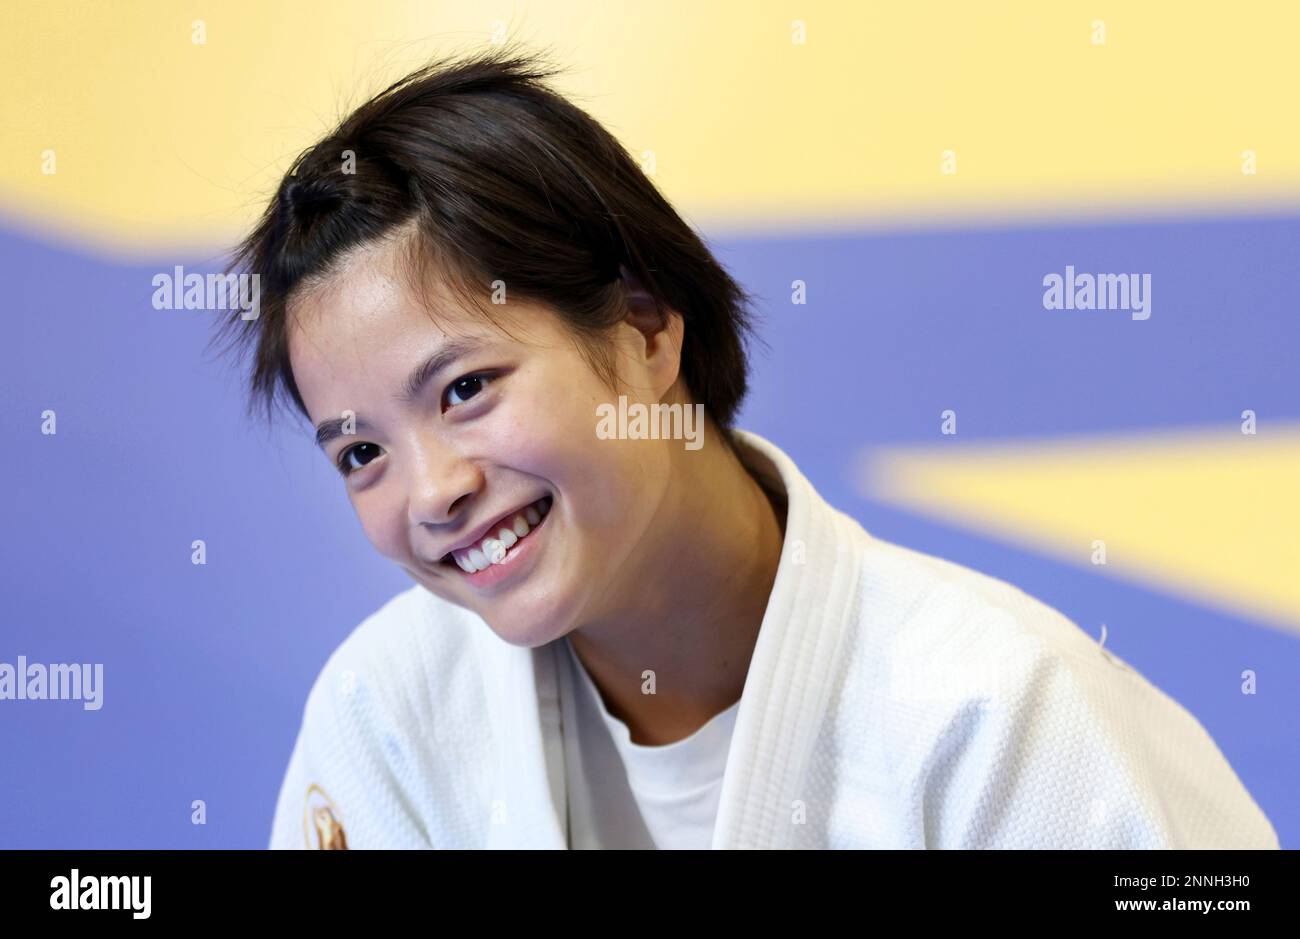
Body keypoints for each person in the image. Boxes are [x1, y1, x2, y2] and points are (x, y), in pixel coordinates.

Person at [215, 45, 1279, 849]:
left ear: (642, 329)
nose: (432, 490)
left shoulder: (1005, 719)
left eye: (465, 388)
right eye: (359, 454)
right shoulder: (391, 711)